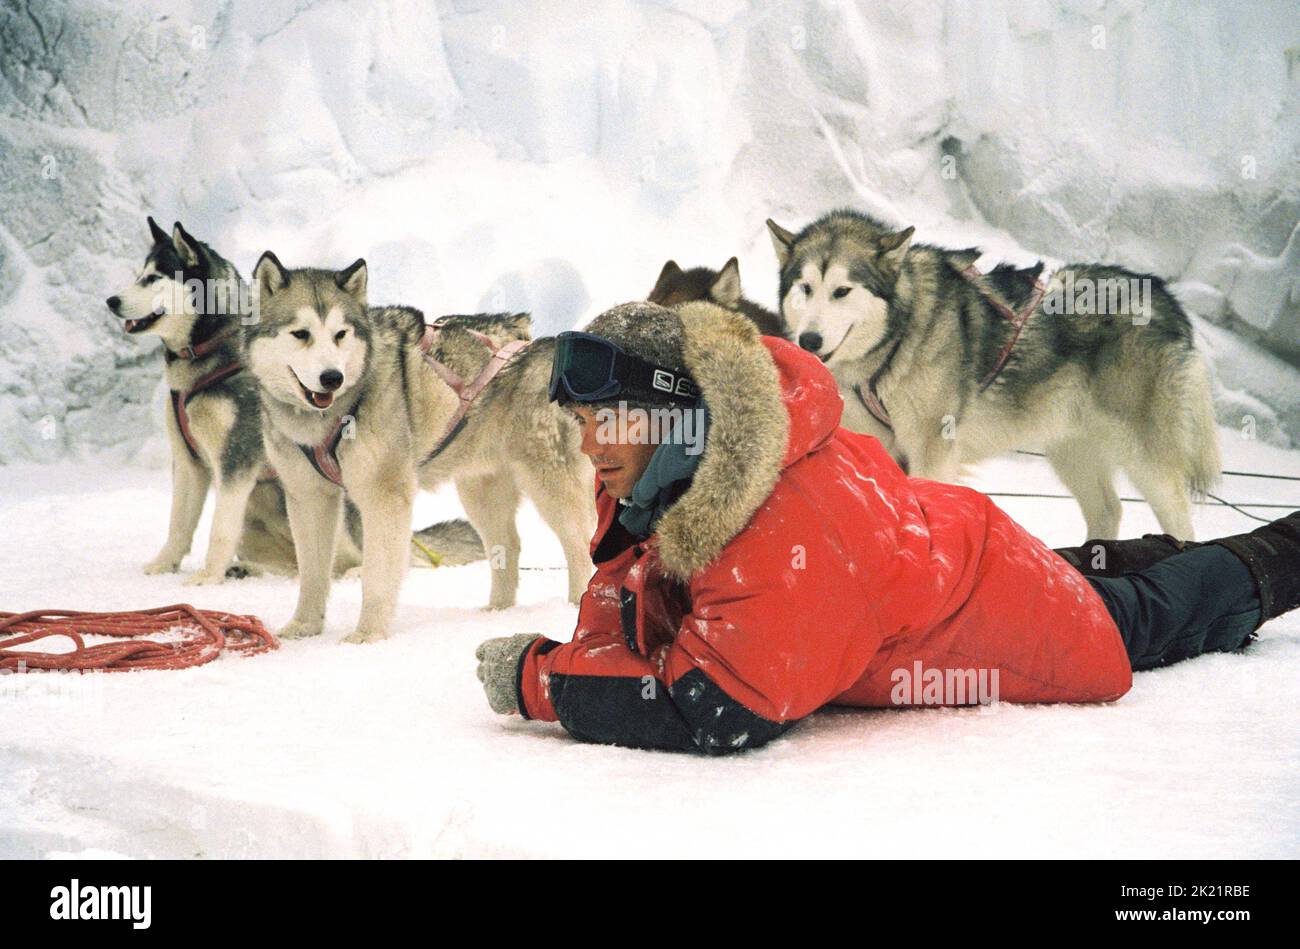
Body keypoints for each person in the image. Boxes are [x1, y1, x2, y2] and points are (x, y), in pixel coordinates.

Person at [475, 301, 1299, 755]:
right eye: (583, 421)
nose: (587, 445)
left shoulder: (773, 525)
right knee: (1110, 571)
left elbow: (717, 701)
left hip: (1005, 613)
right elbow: (637, 596)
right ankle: (1146, 557)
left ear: (673, 412)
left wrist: (540, 681)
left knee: (1147, 611)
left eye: (606, 419)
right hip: (949, 553)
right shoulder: (695, 466)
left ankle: (1281, 556)